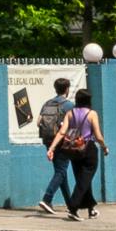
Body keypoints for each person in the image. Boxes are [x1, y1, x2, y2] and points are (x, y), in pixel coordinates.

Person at [52, 86, 104, 218]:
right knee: (84, 180)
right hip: (88, 149)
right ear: (89, 100)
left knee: (83, 179)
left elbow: (62, 132)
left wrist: (52, 148)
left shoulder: (70, 113)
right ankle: (73, 207)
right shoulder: (92, 114)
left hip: (73, 149)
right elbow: (98, 136)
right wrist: (104, 147)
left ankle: (91, 209)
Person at [33, 77, 78, 217]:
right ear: (67, 89)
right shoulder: (68, 105)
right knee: (61, 171)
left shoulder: (47, 103)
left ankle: (71, 204)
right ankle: (47, 198)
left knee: (61, 172)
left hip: (48, 140)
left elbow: (38, 122)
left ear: (55, 89)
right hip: (62, 141)